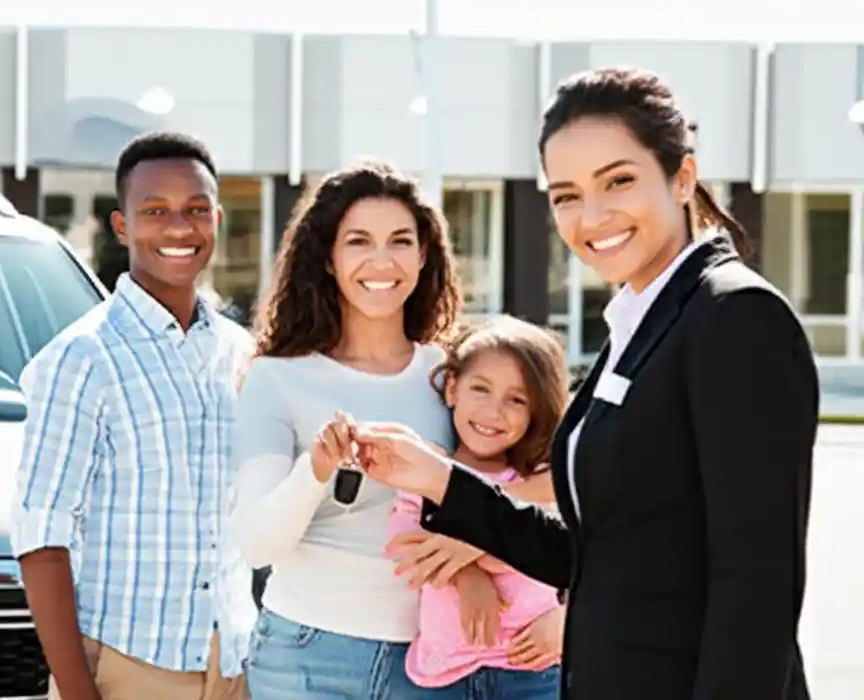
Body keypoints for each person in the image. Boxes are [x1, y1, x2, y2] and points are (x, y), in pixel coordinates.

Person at [349, 67, 819, 700]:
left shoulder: (733, 317)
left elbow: (758, 586)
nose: (590, 216)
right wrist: (437, 479)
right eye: (565, 194)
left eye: (618, 181)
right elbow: (605, 554)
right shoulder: (638, 320)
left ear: (682, 177)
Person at [11, 131, 256, 700]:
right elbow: (40, 539)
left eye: (196, 210)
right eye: (155, 211)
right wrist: (78, 692)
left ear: (216, 219)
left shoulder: (241, 353)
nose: (178, 228)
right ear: (121, 226)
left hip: (236, 666)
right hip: (127, 667)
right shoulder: (81, 357)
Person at [228, 160, 463, 699]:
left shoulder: (451, 375)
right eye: (358, 241)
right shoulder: (276, 378)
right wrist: (316, 470)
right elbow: (258, 544)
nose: (382, 260)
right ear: (329, 260)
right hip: (308, 657)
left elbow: (522, 495)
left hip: (432, 659)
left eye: (400, 241)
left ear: (423, 255)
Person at [386, 317, 570, 699]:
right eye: (480, 389)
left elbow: (573, 552)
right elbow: (405, 544)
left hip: (533, 672)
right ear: (452, 387)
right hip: (444, 677)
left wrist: (563, 620)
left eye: (516, 400)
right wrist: (467, 576)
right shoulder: (431, 471)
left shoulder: (545, 481)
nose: (493, 412)